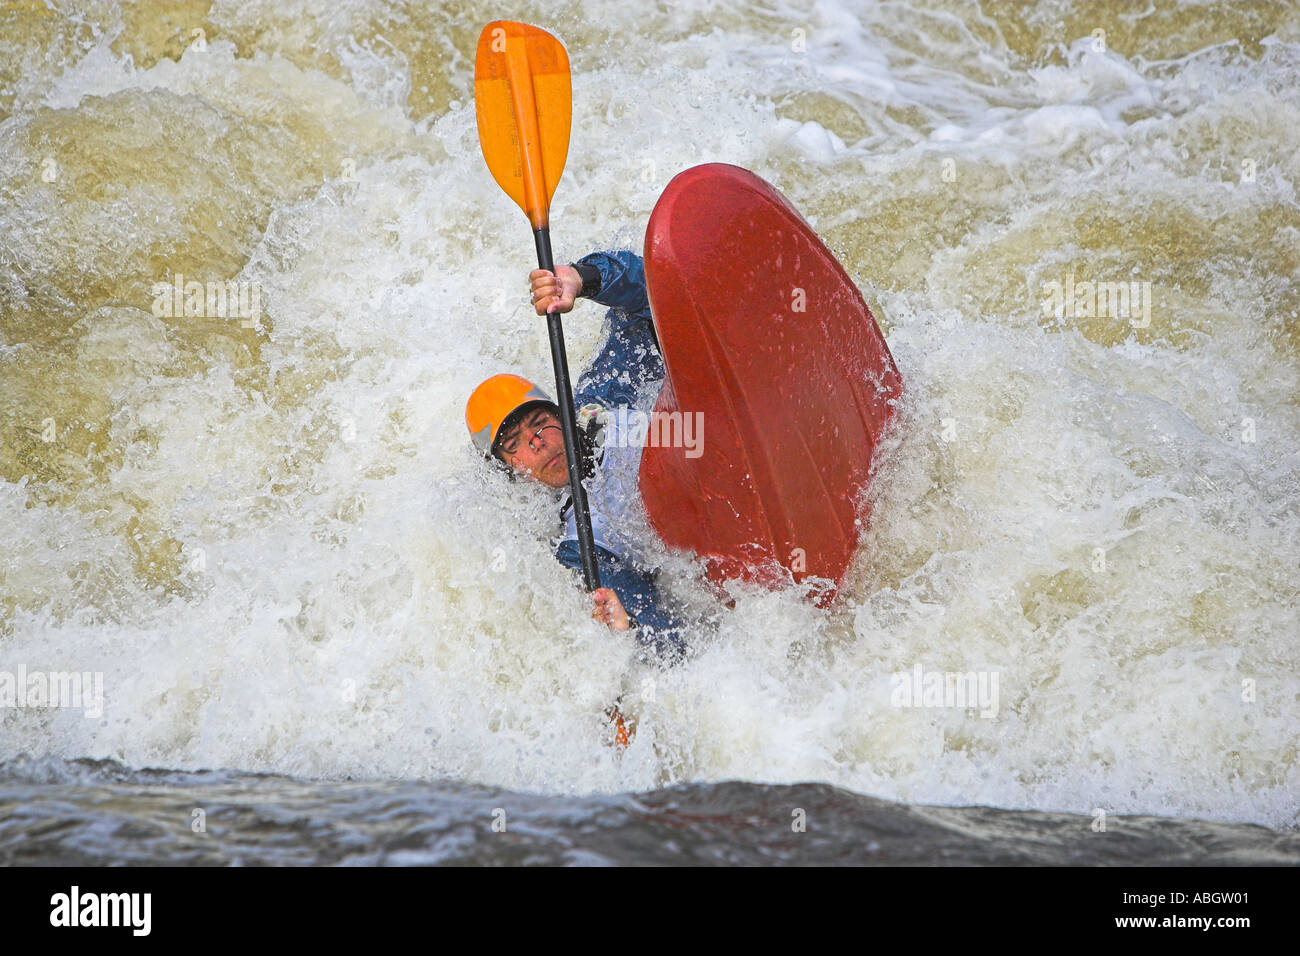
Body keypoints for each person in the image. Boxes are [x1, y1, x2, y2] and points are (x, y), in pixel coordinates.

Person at [465, 250, 687, 662]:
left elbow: (656, 296)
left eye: (538, 423)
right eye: (513, 445)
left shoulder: (604, 397)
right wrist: (630, 629)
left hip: (716, 451)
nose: (535, 443)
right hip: (706, 539)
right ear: (511, 473)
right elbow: (674, 643)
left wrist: (582, 280)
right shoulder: (581, 547)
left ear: (562, 413)